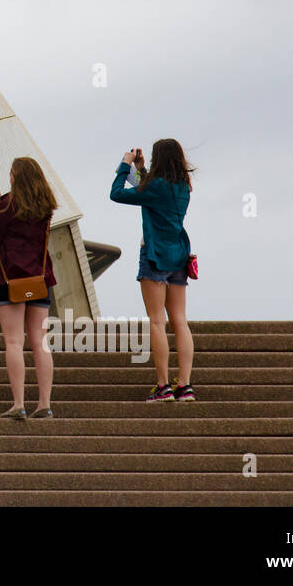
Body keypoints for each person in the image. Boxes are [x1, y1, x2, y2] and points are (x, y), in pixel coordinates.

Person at [0, 157, 57, 420]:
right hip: (39, 281)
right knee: (40, 343)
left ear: (16, 177)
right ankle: (44, 404)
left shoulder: (8, 206)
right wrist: (1, 201)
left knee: (14, 341)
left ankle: (18, 403)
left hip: (10, 282)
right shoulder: (45, 207)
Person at [110, 139, 196, 402]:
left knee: (157, 321)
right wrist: (142, 171)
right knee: (179, 321)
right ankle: (184, 385)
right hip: (178, 254)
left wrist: (124, 166)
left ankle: (162, 386)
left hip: (154, 255)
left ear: (158, 158)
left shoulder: (156, 188)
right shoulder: (183, 187)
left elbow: (117, 194)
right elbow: (151, 192)